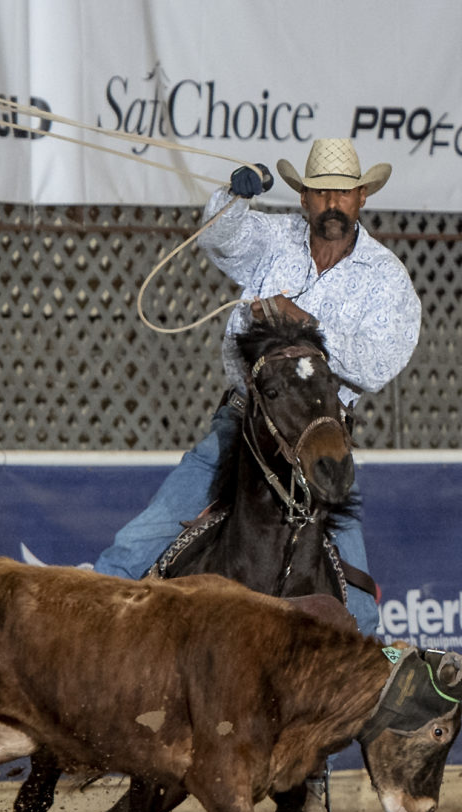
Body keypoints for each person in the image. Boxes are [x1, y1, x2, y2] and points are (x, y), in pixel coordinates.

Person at [95, 138, 421, 636]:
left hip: (318, 438)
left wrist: (307, 322)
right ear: (303, 199)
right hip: (244, 423)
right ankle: (90, 624)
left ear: (361, 198)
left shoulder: (387, 278)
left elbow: (378, 363)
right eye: (321, 194)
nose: (333, 205)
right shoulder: (275, 238)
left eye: (343, 194)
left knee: (358, 607)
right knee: (135, 545)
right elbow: (220, 237)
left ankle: (367, 669)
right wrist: (234, 195)